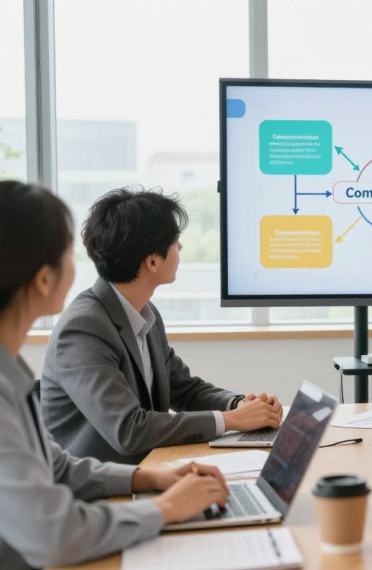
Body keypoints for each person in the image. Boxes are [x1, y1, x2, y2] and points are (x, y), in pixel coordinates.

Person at [0, 181, 230, 570]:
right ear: (44, 279)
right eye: (67, 253)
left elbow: (56, 468)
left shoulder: (2, 370)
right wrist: (165, 509)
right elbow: (54, 532)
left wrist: (151, 479)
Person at [40, 187, 282, 465]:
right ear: (152, 261)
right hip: (98, 490)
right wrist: (230, 420)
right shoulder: (84, 328)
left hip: (147, 471)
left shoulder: (144, 313)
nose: (180, 248)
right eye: (175, 241)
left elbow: (185, 390)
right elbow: (128, 430)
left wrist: (239, 405)